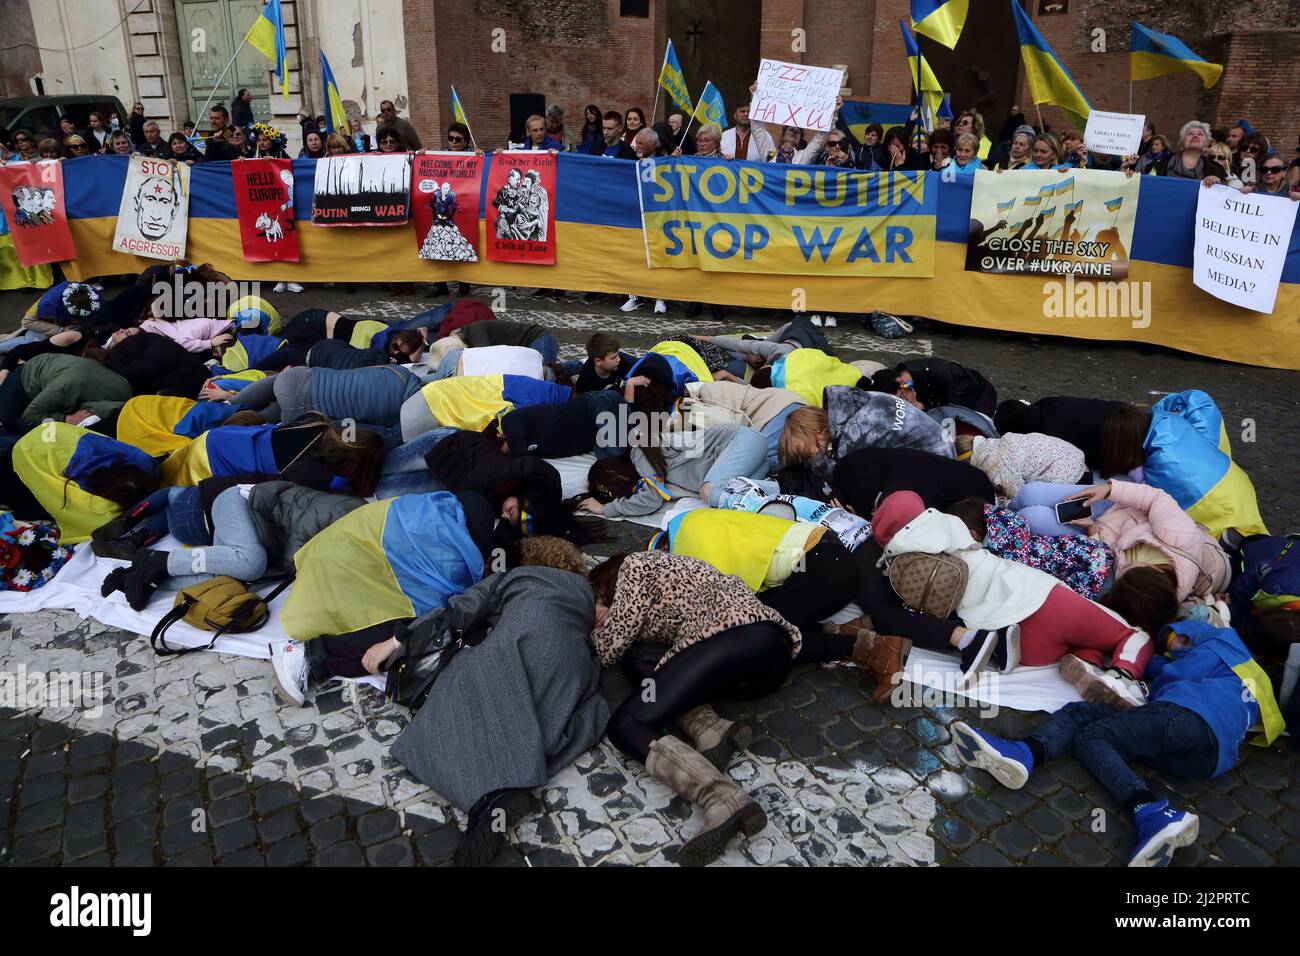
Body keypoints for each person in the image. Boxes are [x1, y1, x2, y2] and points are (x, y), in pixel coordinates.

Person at [951, 618, 1283, 867]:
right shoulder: (1259, 685)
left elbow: (1171, 676)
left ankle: (1152, 812)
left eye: (1179, 640)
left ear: (1198, 634)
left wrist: (1157, 661)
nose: (1177, 646)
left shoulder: (1222, 643)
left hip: (1188, 717)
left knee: (1093, 734)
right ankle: (1027, 754)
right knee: (1092, 721)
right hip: (1210, 759)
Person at [590, 550, 801, 865]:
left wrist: (592, 633)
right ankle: (712, 730)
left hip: (735, 637)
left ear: (602, 588)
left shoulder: (636, 565)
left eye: (593, 605)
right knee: (643, 665)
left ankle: (723, 798)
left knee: (626, 723)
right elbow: (641, 652)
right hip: (763, 657)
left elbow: (609, 646)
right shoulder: (671, 576)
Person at [579, 423, 772, 516]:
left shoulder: (640, 452)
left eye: (610, 489)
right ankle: (786, 489)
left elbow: (651, 500)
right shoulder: (647, 473)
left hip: (742, 442)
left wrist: (607, 509)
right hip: (752, 460)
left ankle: (785, 489)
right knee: (738, 505)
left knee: (710, 492)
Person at [955, 431, 1087, 500]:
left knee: (1030, 499)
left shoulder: (995, 467)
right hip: (1073, 455)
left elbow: (1018, 494)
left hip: (1069, 476)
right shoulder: (994, 443)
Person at [1151, 121, 1226, 184]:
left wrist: (1217, 185)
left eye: (1200, 134)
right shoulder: (1161, 164)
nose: (1195, 136)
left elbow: (1225, 195)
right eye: (1190, 134)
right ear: (1181, 144)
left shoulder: (1215, 170)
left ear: (1205, 146)